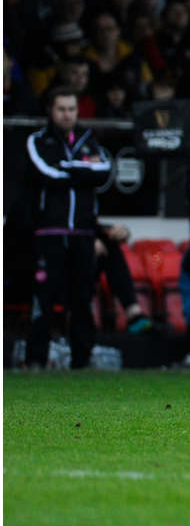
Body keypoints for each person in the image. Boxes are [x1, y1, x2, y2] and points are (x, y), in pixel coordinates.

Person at [25, 86, 112, 368]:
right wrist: (83, 169)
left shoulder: (89, 140)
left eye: (71, 109)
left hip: (83, 234)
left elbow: (104, 172)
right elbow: (47, 174)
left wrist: (69, 167)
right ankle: (36, 359)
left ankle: (82, 360)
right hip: (49, 233)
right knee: (44, 299)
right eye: (61, 109)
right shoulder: (38, 140)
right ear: (51, 110)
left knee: (83, 298)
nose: (67, 115)